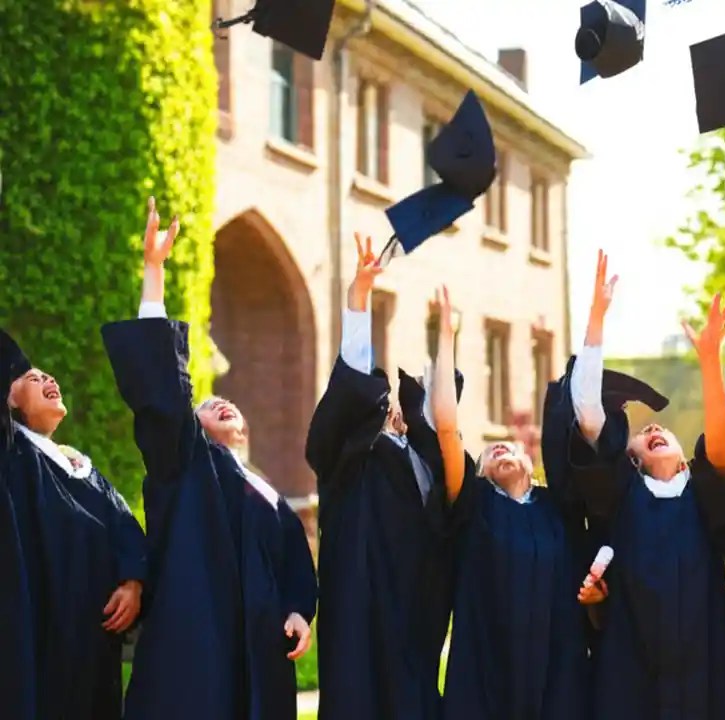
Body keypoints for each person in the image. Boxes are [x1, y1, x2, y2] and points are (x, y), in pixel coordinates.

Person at [101, 197, 317, 720]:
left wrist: (299, 613)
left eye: (228, 404)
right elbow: (162, 391)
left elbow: (294, 566)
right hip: (194, 653)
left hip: (259, 664)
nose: (219, 402)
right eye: (204, 403)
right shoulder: (185, 465)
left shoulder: (266, 492)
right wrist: (154, 275)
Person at [555, 250, 725, 719]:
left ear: (686, 460)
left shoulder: (704, 495)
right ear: (629, 458)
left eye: (662, 432)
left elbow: (720, 441)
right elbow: (588, 415)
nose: (654, 431)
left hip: (702, 659)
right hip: (630, 662)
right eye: (643, 435)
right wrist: (596, 322)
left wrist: (709, 362)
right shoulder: (621, 495)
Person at [406, 283, 590, 720]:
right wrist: (447, 338)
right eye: (491, 451)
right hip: (487, 664)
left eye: (510, 447)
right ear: (481, 468)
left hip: (555, 666)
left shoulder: (556, 509)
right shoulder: (473, 504)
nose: (501, 449)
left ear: (531, 461)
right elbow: (447, 430)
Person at [304, 235, 457, 720]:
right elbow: (351, 373)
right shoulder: (348, 455)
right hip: (357, 598)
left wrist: (444, 339)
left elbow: (444, 414)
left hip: (412, 608)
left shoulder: (429, 462)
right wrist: (359, 297)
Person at [0, 327, 147, 720]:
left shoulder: (79, 466)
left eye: (48, 376)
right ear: (8, 399)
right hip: (45, 640)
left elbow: (125, 527)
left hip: (95, 647)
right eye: (32, 378)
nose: (48, 378)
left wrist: (133, 581)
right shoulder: (13, 457)